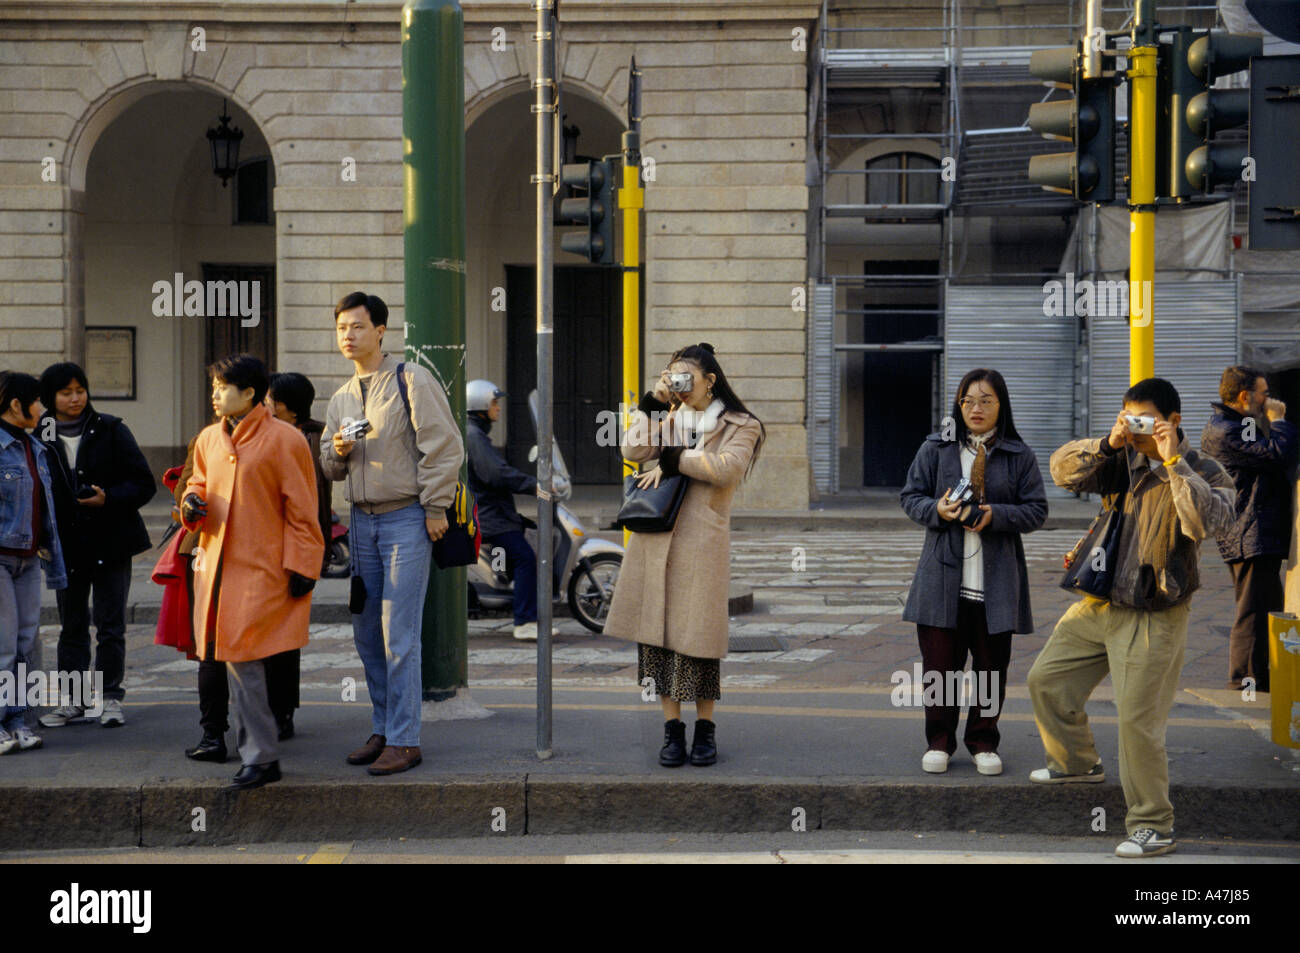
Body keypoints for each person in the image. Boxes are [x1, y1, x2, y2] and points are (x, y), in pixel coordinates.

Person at [1029, 377, 1234, 858]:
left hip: (1154, 611)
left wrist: (1171, 461)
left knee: (1137, 724)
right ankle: (1077, 762)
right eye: (1129, 419)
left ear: (1173, 421)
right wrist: (1108, 442)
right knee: (1046, 681)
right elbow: (1061, 471)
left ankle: (1153, 825)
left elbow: (1205, 522)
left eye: (1144, 421)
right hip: (1100, 600)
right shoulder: (1119, 458)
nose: (1136, 430)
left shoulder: (1205, 468)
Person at [321, 291, 464, 776]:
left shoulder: (411, 379)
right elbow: (327, 465)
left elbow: (444, 447)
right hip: (360, 521)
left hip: (406, 517)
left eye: (357, 326)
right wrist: (338, 449)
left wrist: (436, 506)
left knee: (398, 632)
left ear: (380, 330)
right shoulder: (341, 397)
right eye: (342, 327)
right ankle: (383, 727)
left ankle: (406, 739)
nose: (348, 335)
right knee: (366, 633)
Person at [603, 343, 765, 768]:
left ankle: (705, 731)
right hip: (656, 541)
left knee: (699, 641)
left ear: (710, 380)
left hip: (701, 543)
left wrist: (673, 459)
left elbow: (727, 467)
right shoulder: (668, 415)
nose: (679, 384)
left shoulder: (741, 423)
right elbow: (633, 452)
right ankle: (672, 731)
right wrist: (653, 403)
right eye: (672, 376)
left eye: (686, 377)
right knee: (657, 639)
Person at [180, 355, 324, 790]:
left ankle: (261, 757)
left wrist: (303, 564)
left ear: (249, 393)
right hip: (214, 567)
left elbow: (303, 509)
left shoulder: (286, 440)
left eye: (223, 386)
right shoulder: (208, 438)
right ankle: (259, 756)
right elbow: (197, 484)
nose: (215, 394)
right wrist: (190, 503)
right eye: (215, 386)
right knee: (231, 659)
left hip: (262, 569)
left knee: (243, 660)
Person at [899, 368, 1047, 776]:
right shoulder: (936, 449)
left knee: (990, 668)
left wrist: (996, 515)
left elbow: (1037, 510)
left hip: (995, 581)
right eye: (968, 401)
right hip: (942, 579)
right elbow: (910, 497)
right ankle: (939, 742)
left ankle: (983, 741)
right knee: (940, 668)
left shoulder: (1019, 455)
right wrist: (937, 510)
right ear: (958, 405)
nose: (976, 409)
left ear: (1001, 406)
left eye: (986, 401)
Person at [35, 362, 155, 730]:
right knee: (71, 625)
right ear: (50, 398)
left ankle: (109, 699)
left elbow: (144, 483)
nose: (75, 399)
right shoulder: (39, 435)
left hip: (111, 541)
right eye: (65, 392)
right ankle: (73, 701)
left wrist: (110, 498)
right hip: (66, 546)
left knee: (110, 625)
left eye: (80, 390)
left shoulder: (111, 429)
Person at [1200, 366, 1295, 693]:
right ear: (1245, 396)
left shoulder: (1237, 425)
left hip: (1254, 529)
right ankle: (1245, 682)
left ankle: (1258, 678)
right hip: (1247, 530)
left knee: (1263, 607)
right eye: (1264, 393)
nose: (1269, 400)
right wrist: (1280, 420)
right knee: (1253, 612)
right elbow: (1278, 455)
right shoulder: (1226, 430)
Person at [262, 371, 334, 738]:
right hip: (278, 554)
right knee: (278, 638)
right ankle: (276, 711)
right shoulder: (300, 436)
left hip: (291, 555)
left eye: (269, 400)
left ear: (285, 409)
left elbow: (313, 507)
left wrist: (307, 561)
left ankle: (281, 712)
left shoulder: (304, 440)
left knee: (283, 639)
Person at [1, 371, 68, 755]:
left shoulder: (33, 446)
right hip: (2, 558)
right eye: (38, 401)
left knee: (25, 642)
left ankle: (17, 720)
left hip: (28, 560)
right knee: (3, 645)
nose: (44, 409)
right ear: (16, 405)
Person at [465, 379, 539, 642]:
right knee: (526, 558)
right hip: (489, 515)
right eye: (494, 402)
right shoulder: (474, 436)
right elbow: (496, 474)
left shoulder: (475, 433)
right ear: (480, 405)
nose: (498, 407)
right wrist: (533, 485)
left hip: (490, 511)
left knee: (519, 547)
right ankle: (525, 621)